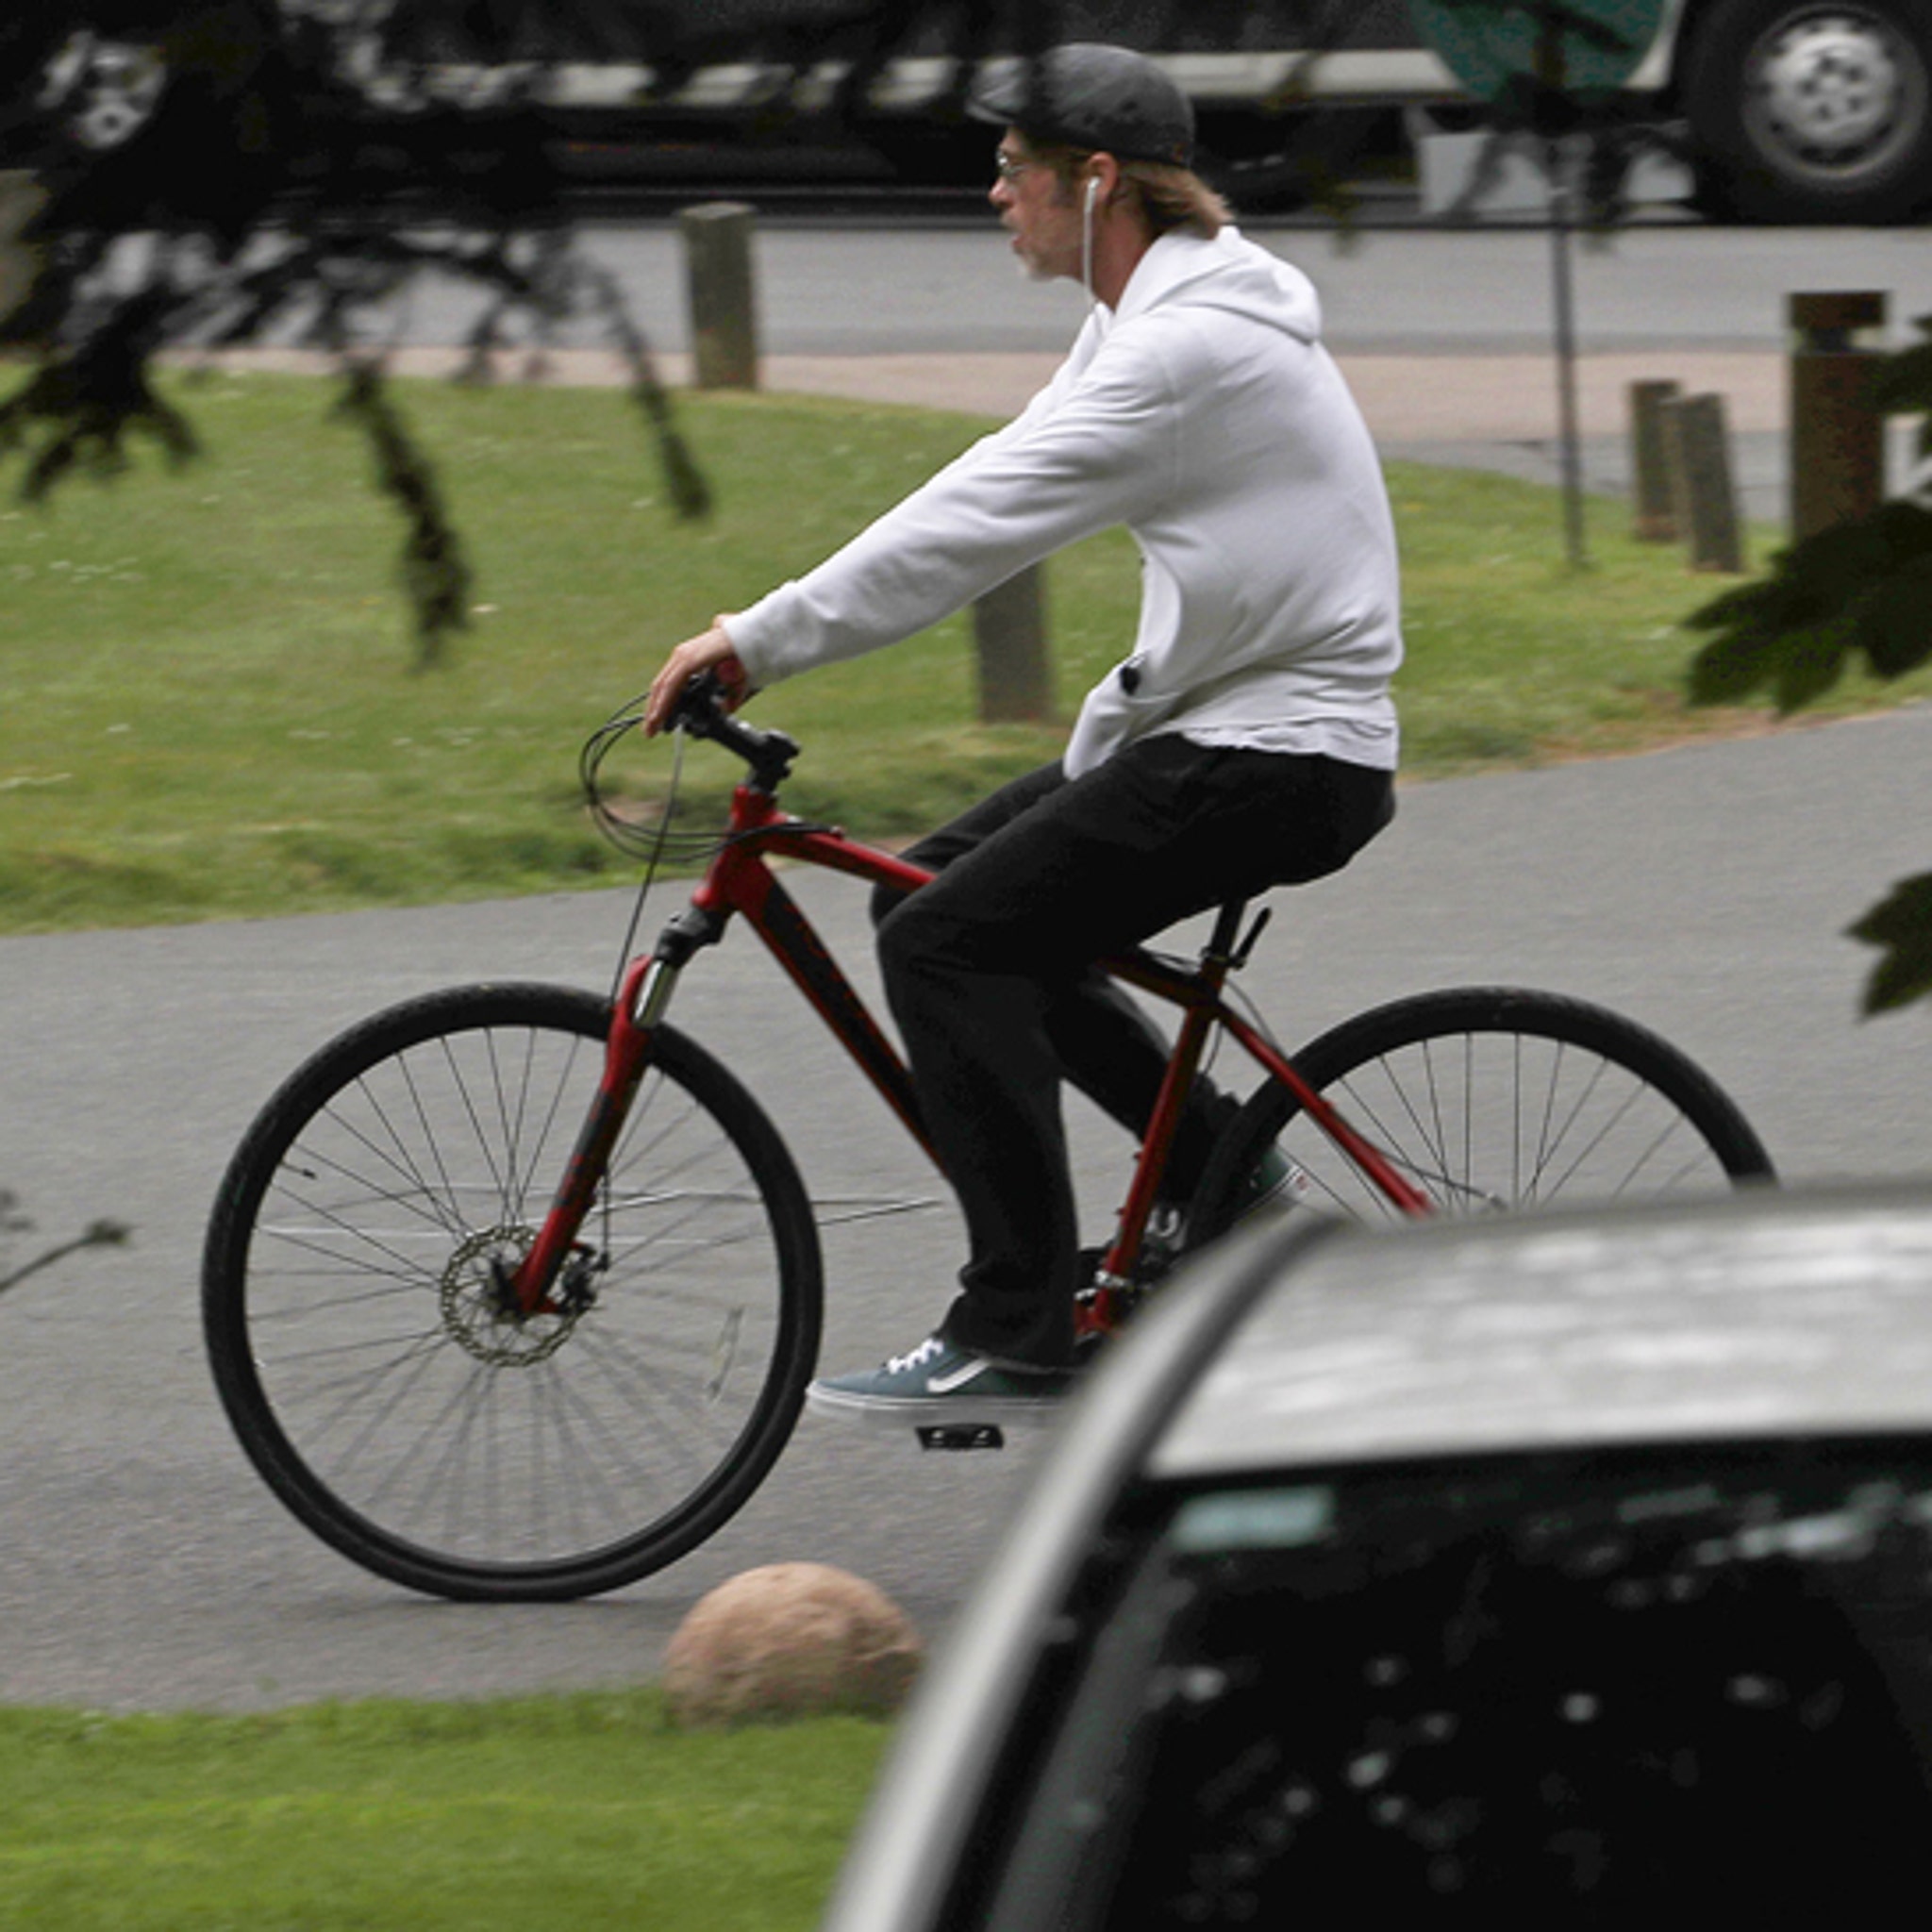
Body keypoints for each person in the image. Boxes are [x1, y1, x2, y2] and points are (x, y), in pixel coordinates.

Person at [643, 42, 1402, 1428]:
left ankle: (1017, 1323)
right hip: (1237, 728)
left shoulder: (1181, 351)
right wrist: (781, 626)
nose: (994, 190)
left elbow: (970, 527)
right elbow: (990, 477)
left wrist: (758, 639)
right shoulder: (1147, 319)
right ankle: (1228, 1185)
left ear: (1094, 181)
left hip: (1277, 751)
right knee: (941, 892)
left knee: (950, 940)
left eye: (1012, 166)